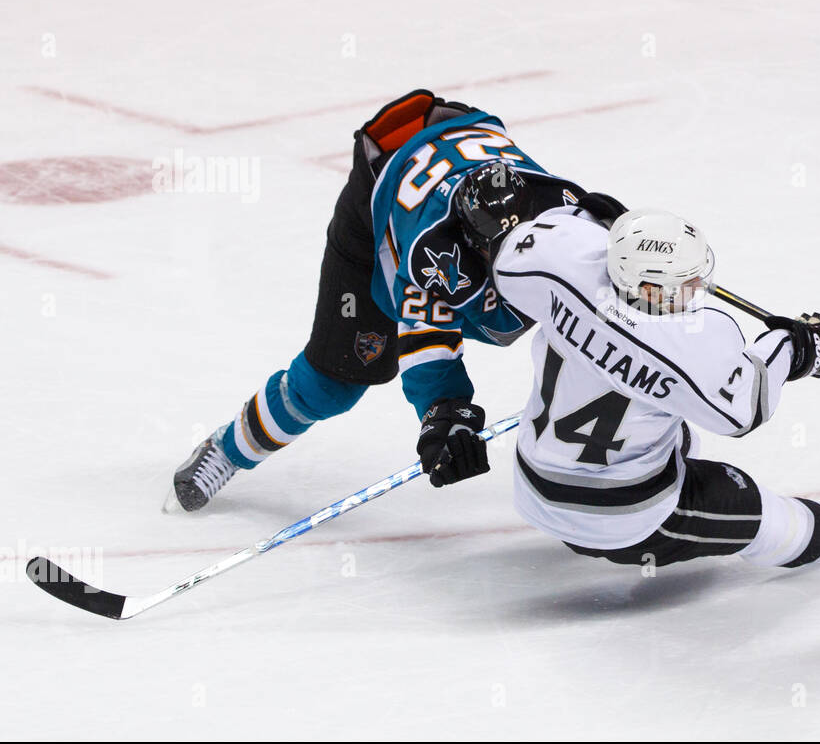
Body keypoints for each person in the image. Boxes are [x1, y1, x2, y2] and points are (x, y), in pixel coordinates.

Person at [165, 89, 620, 513]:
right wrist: (446, 417)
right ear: (468, 239)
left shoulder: (570, 215)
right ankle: (227, 449)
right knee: (333, 382)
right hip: (379, 191)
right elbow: (427, 343)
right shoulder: (433, 252)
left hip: (455, 142)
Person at [490, 205, 820, 568]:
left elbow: (511, 258)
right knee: (760, 515)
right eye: (686, 282)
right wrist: (797, 345)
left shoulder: (558, 266)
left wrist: (584, 215)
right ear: (647, 288)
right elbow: (745, 409)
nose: (699, 287)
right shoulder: (689, 347)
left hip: (532, 484)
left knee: (666, 425)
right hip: (622, 519)